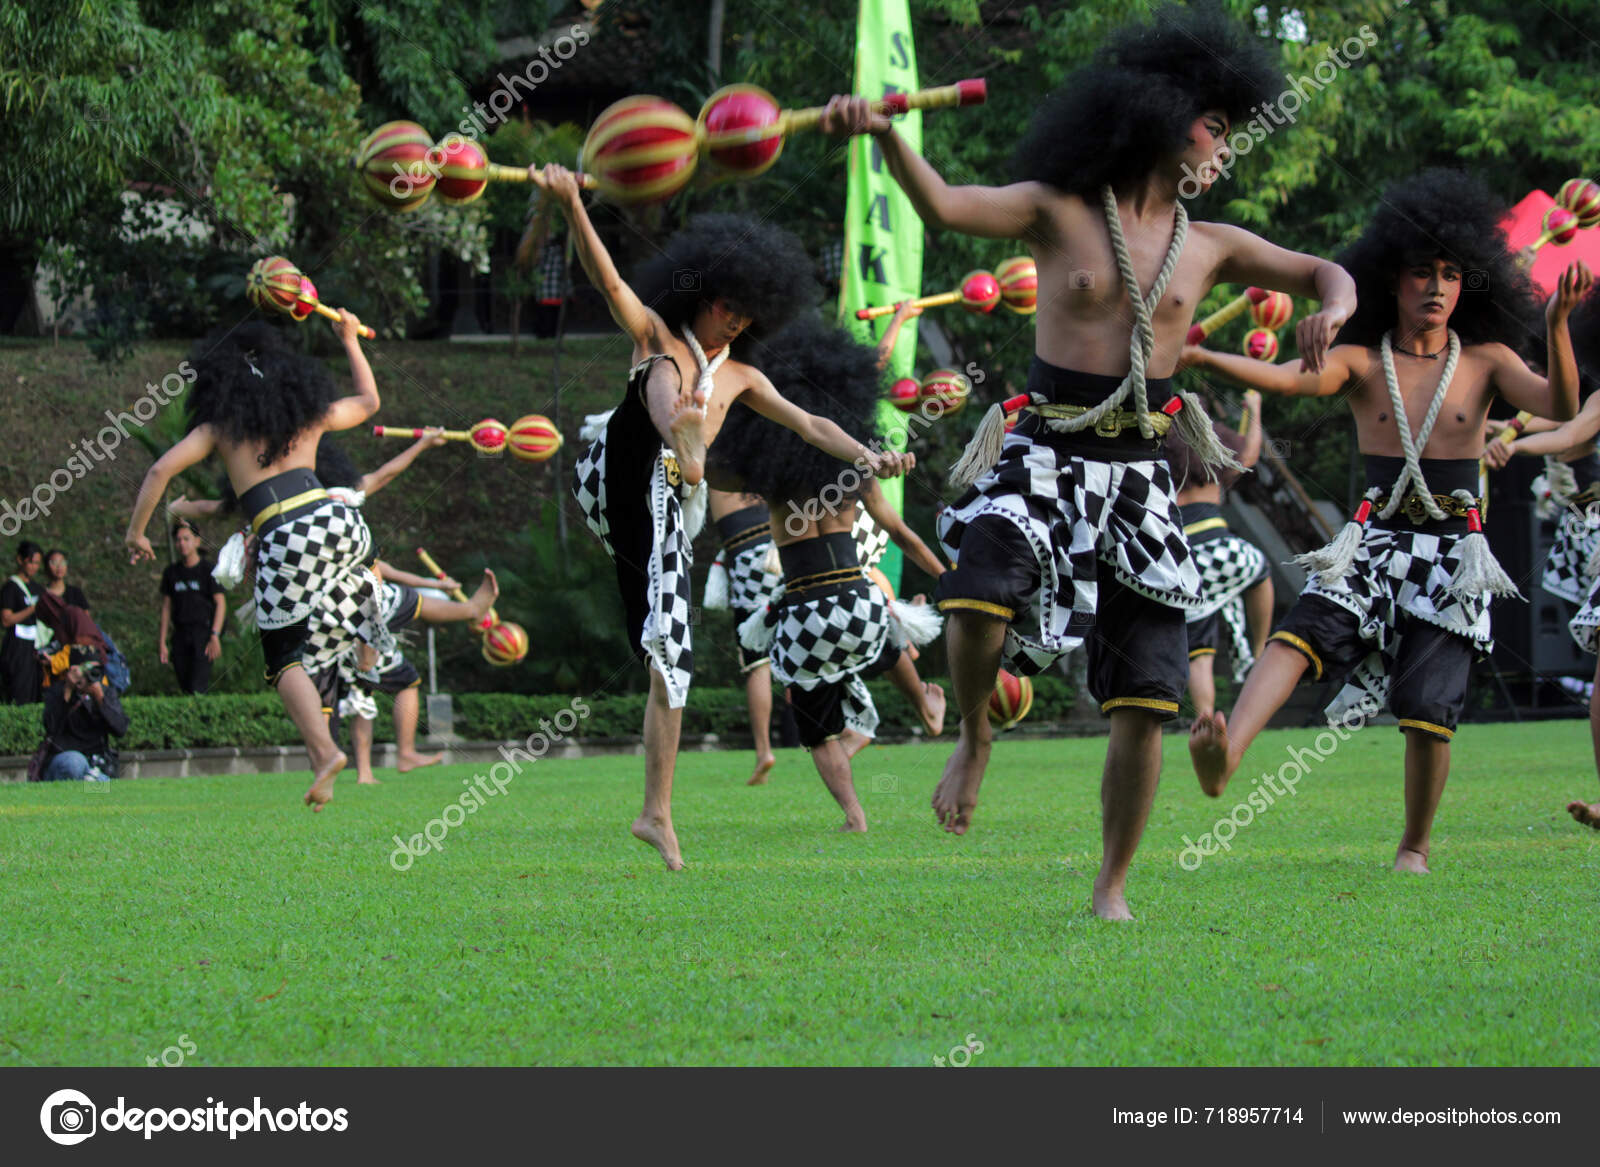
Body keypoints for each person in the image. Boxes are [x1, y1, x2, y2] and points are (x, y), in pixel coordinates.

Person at [821, 2, 1357, 918]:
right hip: (1043, 447)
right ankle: (977, 732)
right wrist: (887, 138)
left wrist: (1335, 311)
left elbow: (1324, 273)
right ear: (1159, 113)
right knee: (979, 585)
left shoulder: (1214, 244)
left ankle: (1111, 885)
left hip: (1143, 477)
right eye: (1214, 127)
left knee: (1148, 695)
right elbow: (944, 204)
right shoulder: (1057, 210)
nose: (1224, 147)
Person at [1184, 168, 1592, 872]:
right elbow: (1283, 376)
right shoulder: (1361, 363)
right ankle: (1229, 752)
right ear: (1388, 280)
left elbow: (1560, 402)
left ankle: (1415, 843)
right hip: (1373, 542)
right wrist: (1196, 356)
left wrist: (1556, 323)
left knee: (1431, 706)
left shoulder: (1489, 360)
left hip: (1453, 550)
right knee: (1300, 633)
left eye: (1449, 274)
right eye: (1419, 273)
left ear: (1470, 284)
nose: (1435, 287)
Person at [540, 161, 909, 870]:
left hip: (673, 500)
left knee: (671, 661)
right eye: (725, 307)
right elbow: (607, 276)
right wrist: (571, 207)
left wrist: (867, 455)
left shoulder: (741, 373)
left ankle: (655, 813)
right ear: (702, 294)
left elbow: (810, 426)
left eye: (746, 313)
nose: (733, 321)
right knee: (665, 383)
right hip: (621, 469)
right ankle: (683, 440)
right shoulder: (658, 333)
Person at [124, 311, 391, 811]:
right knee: (359, 588)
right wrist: (350, 339)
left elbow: (160, 470)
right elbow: (369, 402)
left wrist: (136, 532)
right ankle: (368, 646)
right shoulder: (307, 415)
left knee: (282, 657)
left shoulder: (219, 428)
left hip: (286, 533)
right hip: (341, 522)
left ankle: (325, 752)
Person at [712, 316, 940, 831]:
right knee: (885, 626)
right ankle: (925, 702)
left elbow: (712, 465)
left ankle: (855, 816)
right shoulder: (856, 471)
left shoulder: (769, 477)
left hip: (802, 618)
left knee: (817, 731)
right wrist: (947, 575)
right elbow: (904, 536)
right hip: (861, 607)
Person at [1481, 293, 1600, 828]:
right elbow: (1565, 430)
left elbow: (1566, 436)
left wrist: (1514, 443)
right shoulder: (1591, 395)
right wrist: (1507, 440)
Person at [1168, 390, 1273, 718]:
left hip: (1178, 557)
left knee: (1199, 655)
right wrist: (1254, 408)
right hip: (1217, 548)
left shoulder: (1158, 445)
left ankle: (1204, 718)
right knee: (1259, 569)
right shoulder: (1212, 441)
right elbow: (1250, 455)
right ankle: (1259, 653)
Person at [704, 486, 786, 785]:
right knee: (799, 637)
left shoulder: (713, 459)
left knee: (756, 661)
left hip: (750, 557)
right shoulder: (763, 450)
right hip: (786, 541)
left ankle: (764, 750)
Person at [37, 644, 127, 782]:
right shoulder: (57, 691)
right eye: (87, 670)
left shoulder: (105, 692)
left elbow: (120, 729)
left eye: (96, 670)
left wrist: (99, 698)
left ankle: (86, 792)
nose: (91, 675)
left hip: (95, 765)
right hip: (63, 762)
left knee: (105, 786)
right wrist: (68, 690)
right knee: (75, 763)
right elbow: (51, 727)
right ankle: (68, 794)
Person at [158, 518, 226, 695]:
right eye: (179, 540)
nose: (182, 544)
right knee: (184, 683)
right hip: (180, 633)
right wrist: (162, 641)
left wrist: (215, 635)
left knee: (199, 686)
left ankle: (201, 718)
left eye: (186, 539)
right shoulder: (171, 572)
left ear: (197, 541)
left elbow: (220, 603)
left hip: (202, 633)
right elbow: (166, 607)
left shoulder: (209, 570)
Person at [1, 540, 44, 704]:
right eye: (31, 562)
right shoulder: (11, 587)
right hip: (17, 648)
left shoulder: (38, 588)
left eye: (37, 564)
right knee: (18, 692)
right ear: (21, 560)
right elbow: (6, 620)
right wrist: (33, 608)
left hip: (35, 647)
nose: (34, 567)